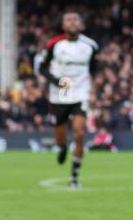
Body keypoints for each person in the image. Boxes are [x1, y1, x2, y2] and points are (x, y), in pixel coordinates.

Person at [34, 11, 99, 190]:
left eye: (75, 19)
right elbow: (42, 68)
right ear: (63, 26)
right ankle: (62, 148)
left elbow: (93, 70)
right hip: (60, 94)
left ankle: (74, 177)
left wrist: (93, 90)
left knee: (79, 133)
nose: (72, 22)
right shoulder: (54, 44)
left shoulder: (90, 46)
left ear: (81, 24)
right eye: (68, 20)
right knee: (60, 135)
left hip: (80, 93)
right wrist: (57, 81)